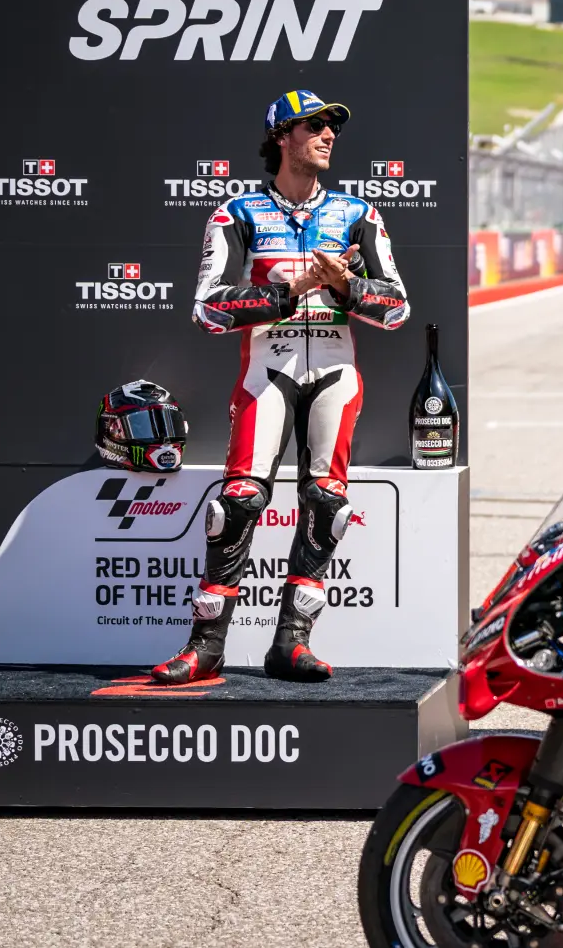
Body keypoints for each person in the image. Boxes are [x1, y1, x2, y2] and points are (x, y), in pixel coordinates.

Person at [153, 90, 410, 684]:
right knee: (238, 502)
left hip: (335, 372)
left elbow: (396, 306)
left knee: (327, 502)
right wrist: (289, 292)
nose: (329, 135)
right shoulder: (236, 212)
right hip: (266, 367)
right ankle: (205, 647)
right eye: (315, 126)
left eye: (331, 127)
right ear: (281, 137)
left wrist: (344, 290)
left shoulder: (358, 213)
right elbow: (206, 308)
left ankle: (291, 644)